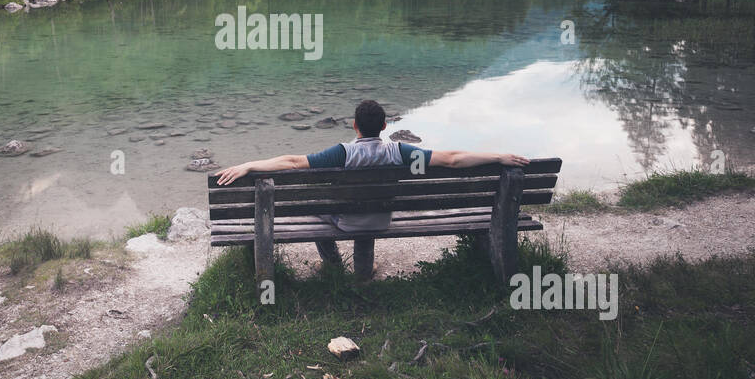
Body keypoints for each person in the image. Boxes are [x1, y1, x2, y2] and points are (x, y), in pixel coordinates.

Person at [215, 99, 529, 264]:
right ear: (384, 125)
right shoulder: (401, 151)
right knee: (362, 204)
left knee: (317, 208)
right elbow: (451, 159)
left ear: (354, 126)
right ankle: (363, 274)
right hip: (382, 218)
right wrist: (497, 157)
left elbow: (293, 162)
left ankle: (333, 264)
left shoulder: (341, 154)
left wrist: (248, 165)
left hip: (348, 222)